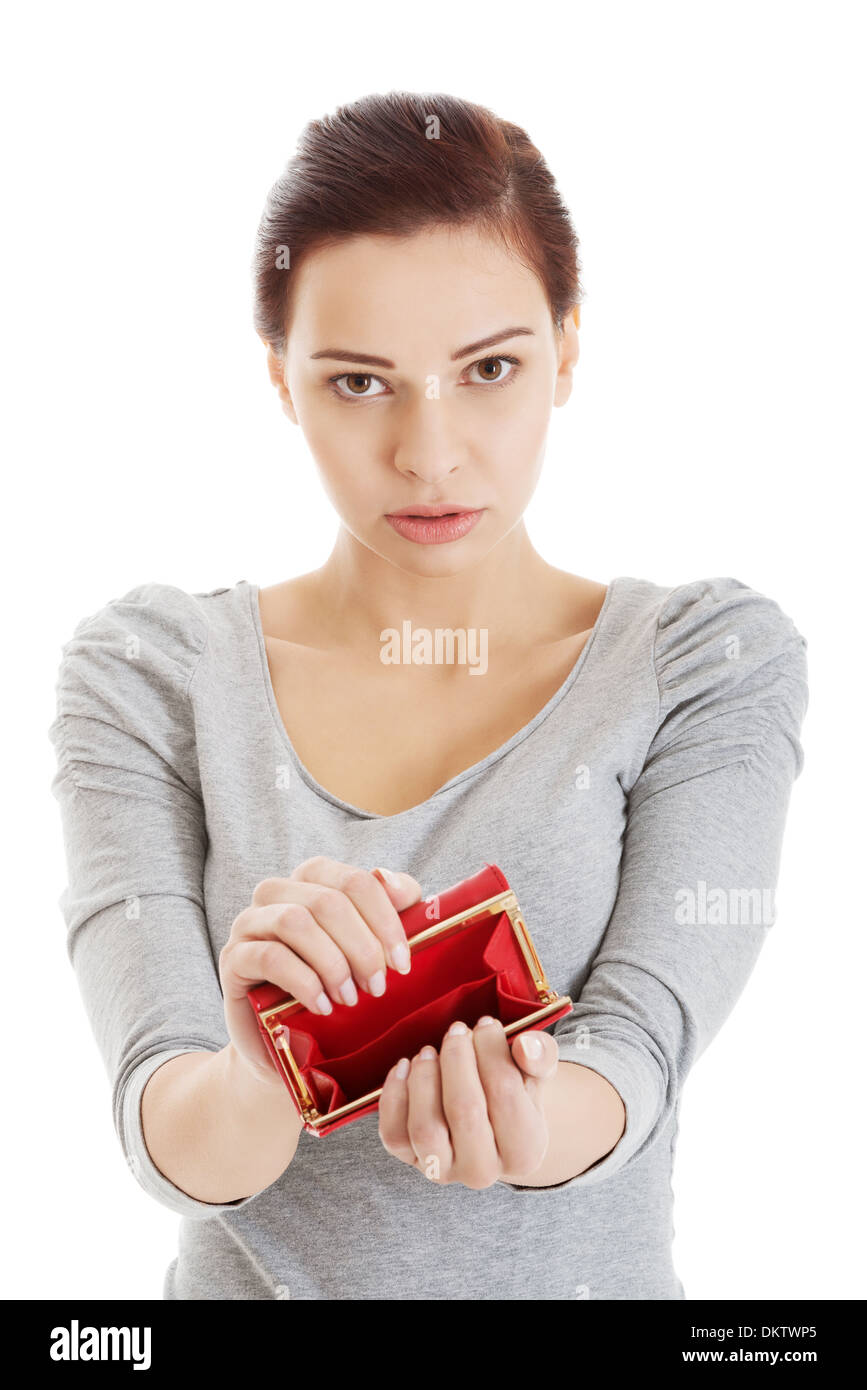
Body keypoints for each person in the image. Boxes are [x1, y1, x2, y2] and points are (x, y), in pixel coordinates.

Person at [48, 89, 809, 1301]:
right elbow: (163, 1113)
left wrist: (531, 1122)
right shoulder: (151, 675)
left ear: (567, 348)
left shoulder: (702, 661)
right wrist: (258, 1075)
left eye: (489, 368)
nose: (431, 452)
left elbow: (638, 1051)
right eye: (359, 382)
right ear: (281, 379)